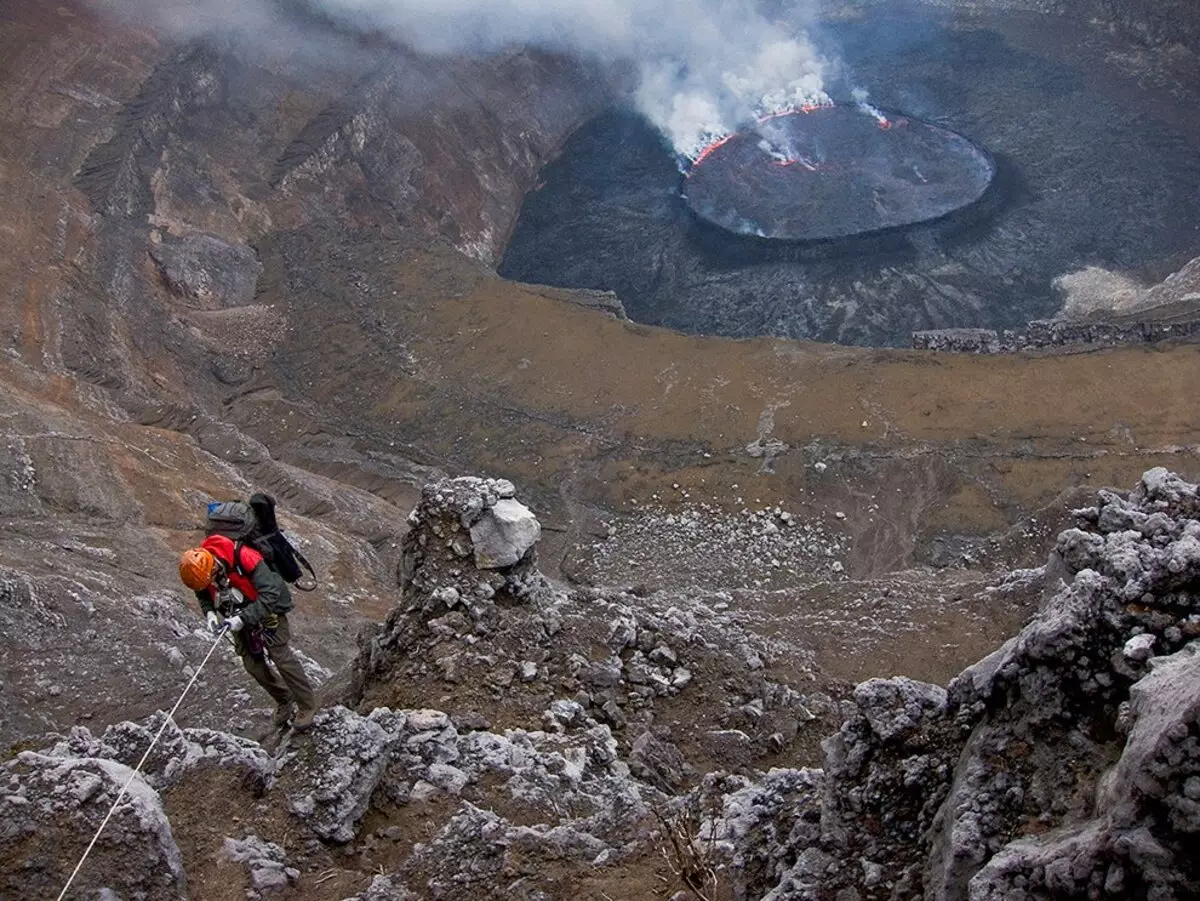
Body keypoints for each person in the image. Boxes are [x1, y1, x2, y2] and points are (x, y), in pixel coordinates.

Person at [178, 534, 318, 731]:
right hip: (237, 610)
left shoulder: (246, 557)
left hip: (268, 607)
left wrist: (242, 619)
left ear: (213, 567)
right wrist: (209, 613)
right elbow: (202, 593)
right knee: (253, 664)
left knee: (281, 656)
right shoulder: (201, 571)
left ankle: (307, 705)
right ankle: (284, 699)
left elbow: (270, 594)